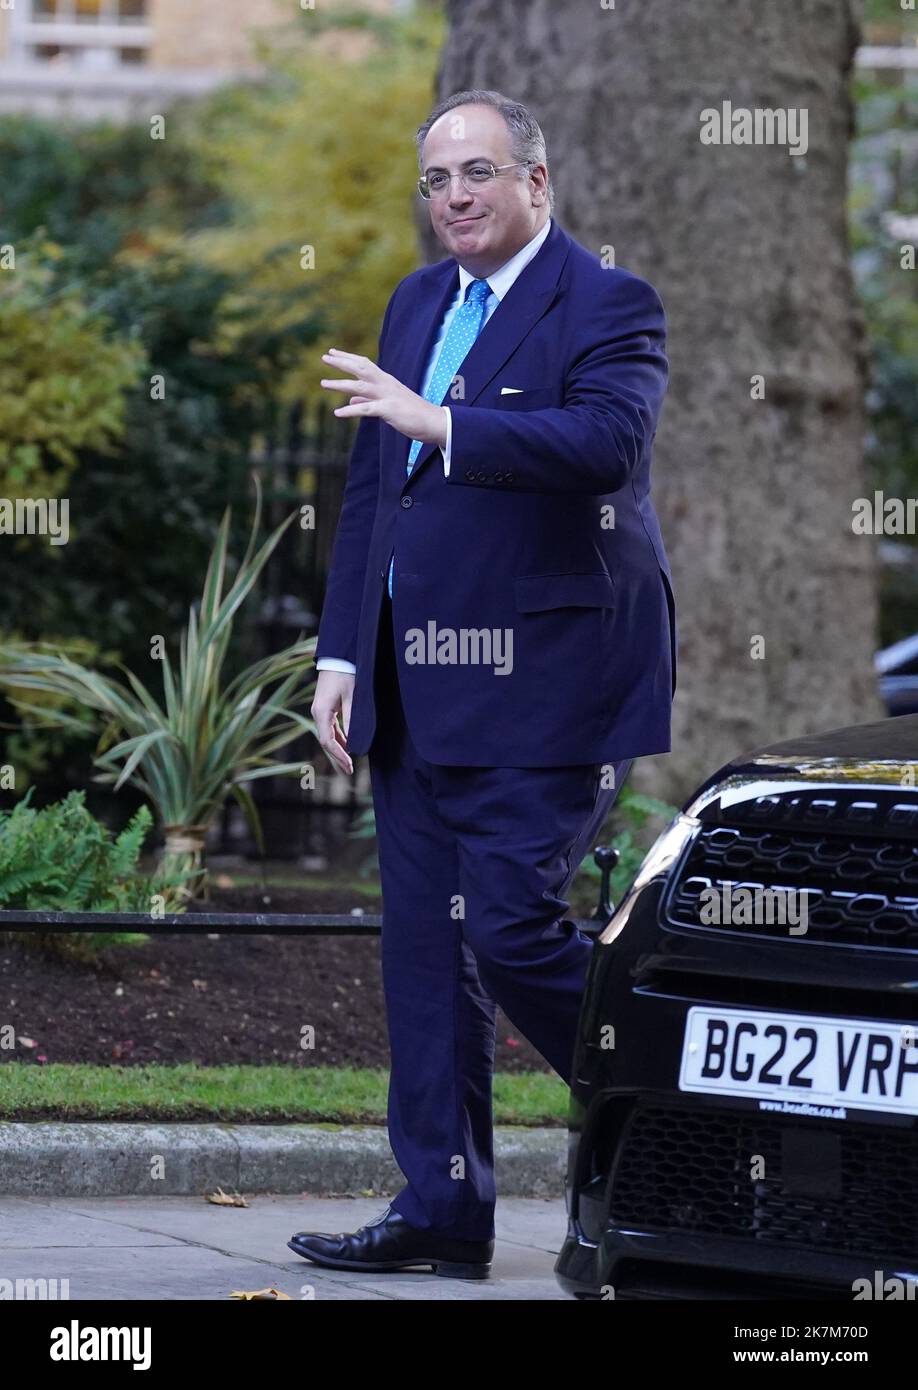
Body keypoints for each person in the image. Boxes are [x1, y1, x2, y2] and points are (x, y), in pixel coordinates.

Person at [288, 89, 676, 1281]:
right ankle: (441, 1213)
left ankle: (664, 1126)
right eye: (438, 179)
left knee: (510, 935)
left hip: (550, 686)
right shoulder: (416, 303)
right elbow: (374, 492)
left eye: (478, 174)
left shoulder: (607, 302)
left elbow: (605, 443)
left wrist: (441, 420)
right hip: (411, 687)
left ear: (537, 185)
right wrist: (342, 652)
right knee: (423, 957)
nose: (454, 196)